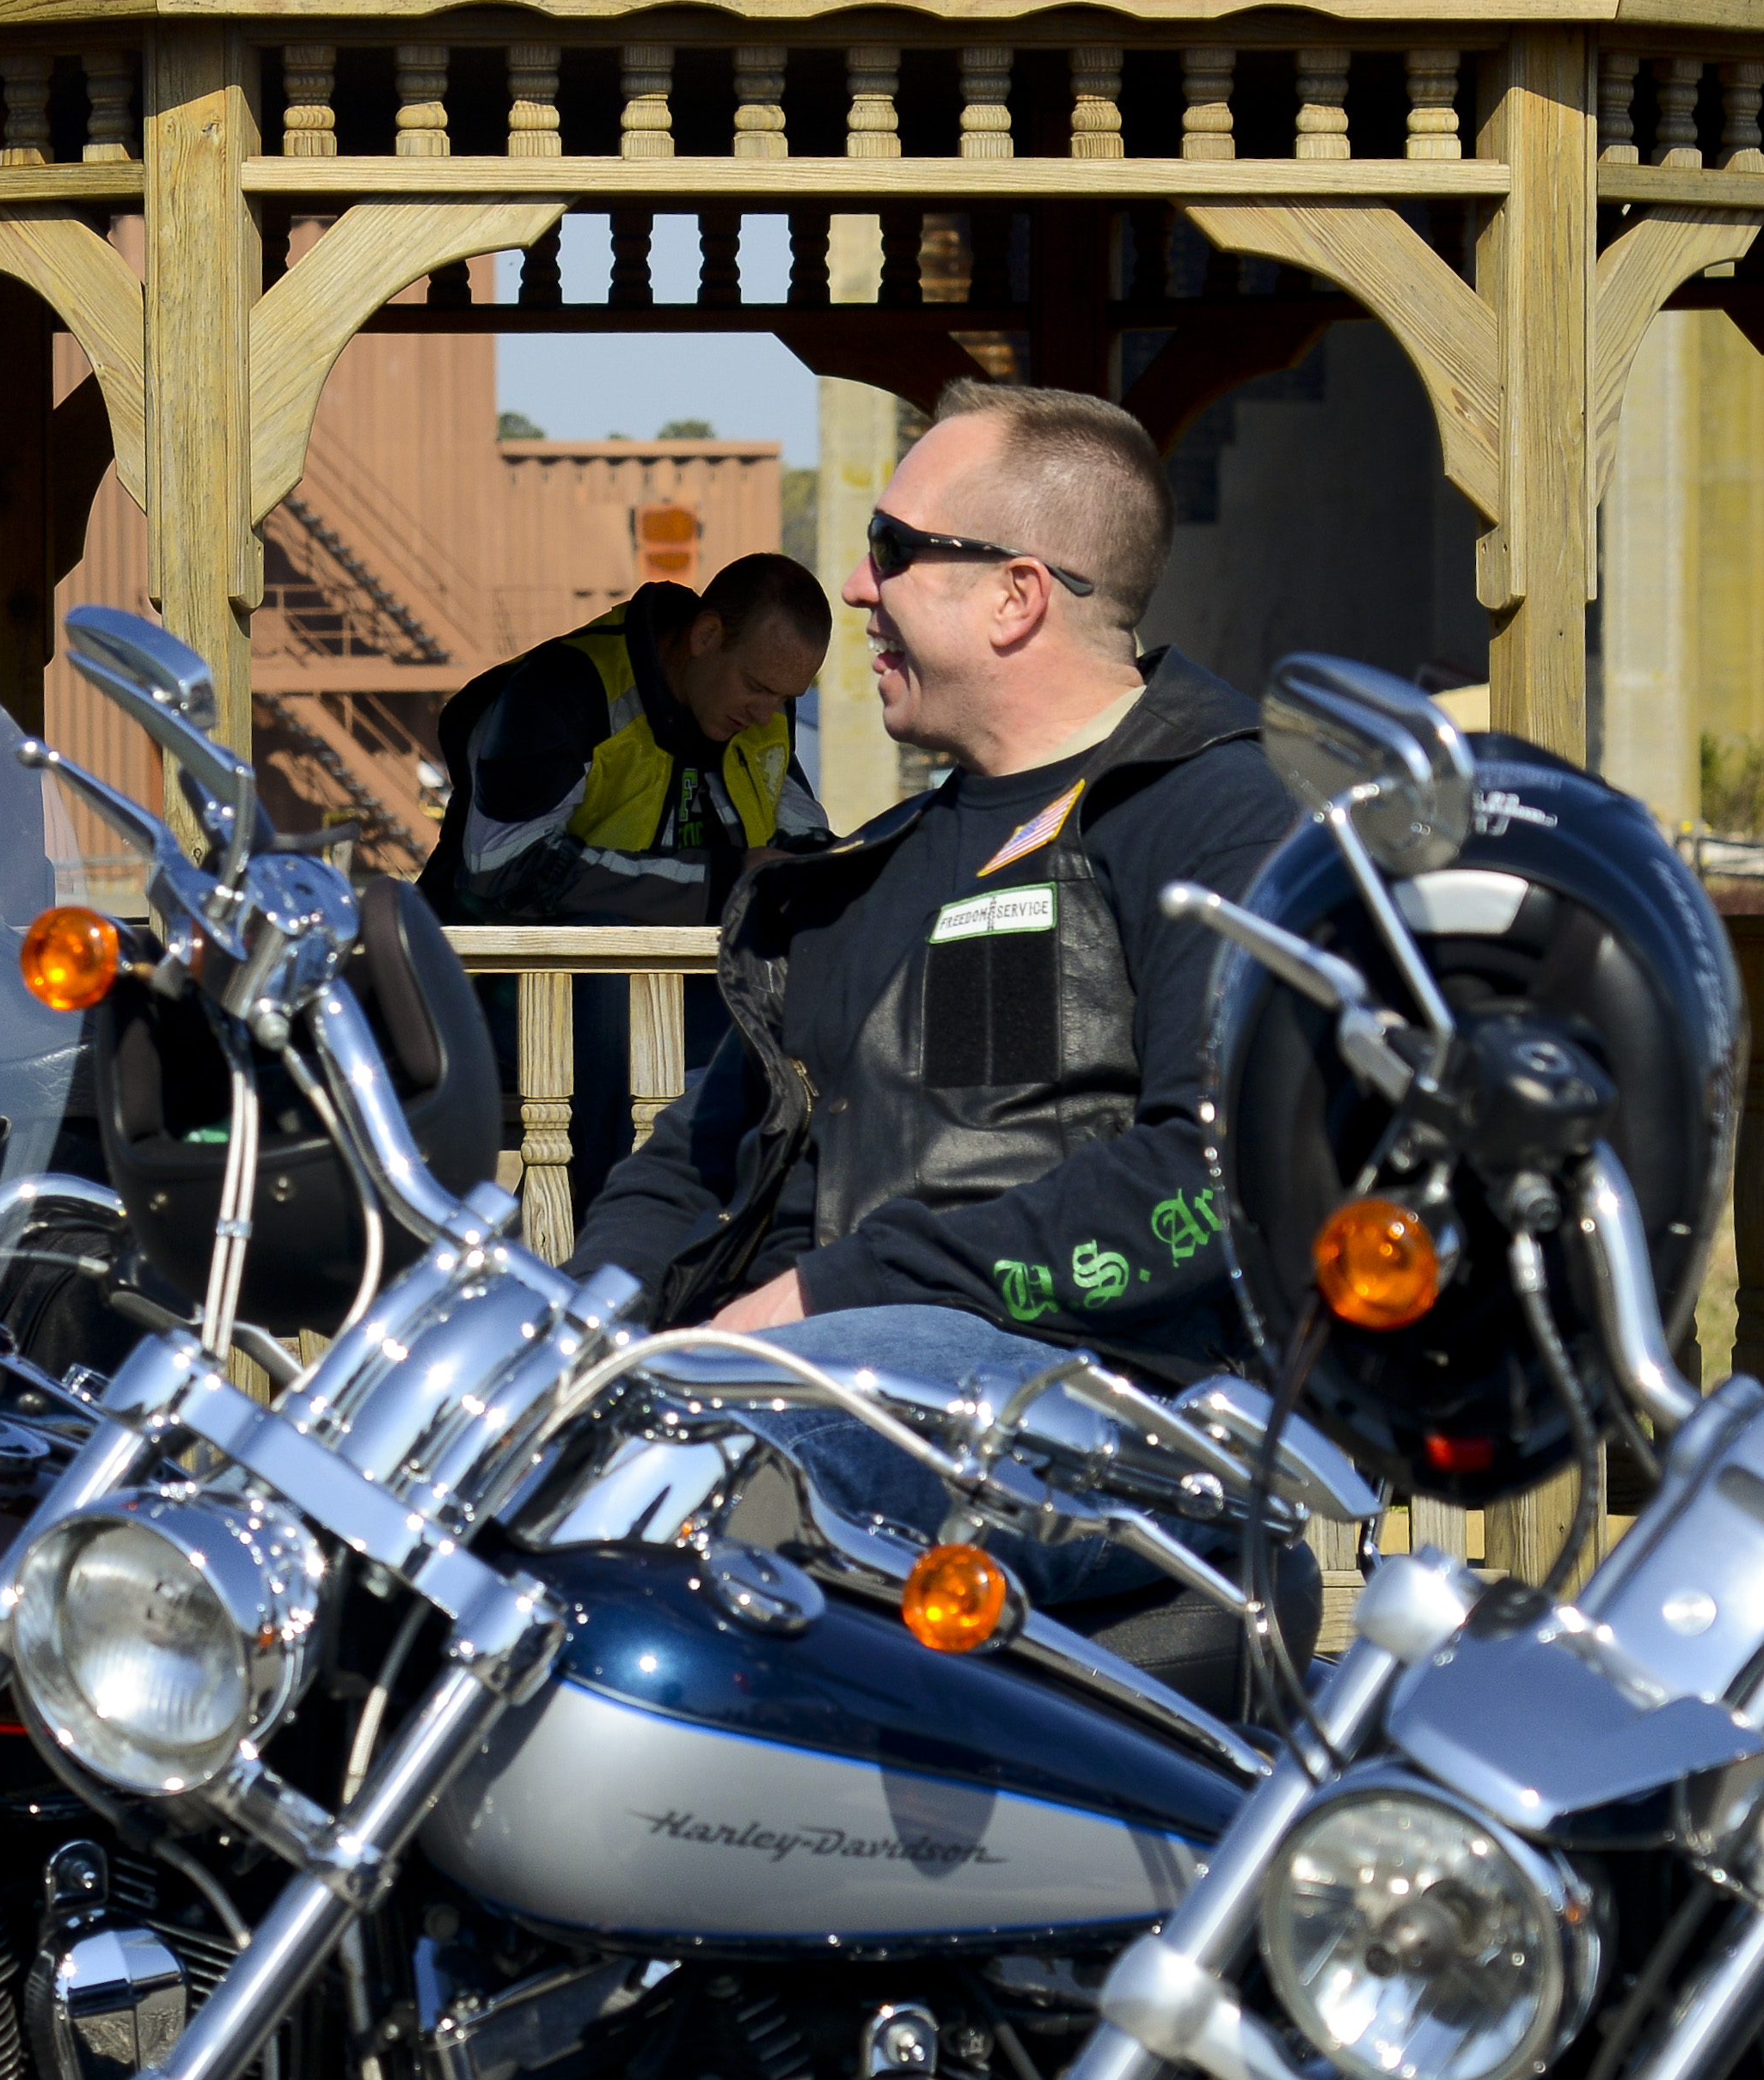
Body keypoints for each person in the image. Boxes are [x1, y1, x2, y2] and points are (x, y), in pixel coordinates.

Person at [567, 382, 1295, 1587]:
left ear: (1017, 594)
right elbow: (694, 1157)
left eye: (894, 552)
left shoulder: (1222, 817)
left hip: (1086, 1414)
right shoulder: (873, 868)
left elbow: (1215, 1171)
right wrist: (586, 1326)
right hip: (816, 1378)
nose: (856, 587)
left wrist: (825, 1297)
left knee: (708, 1499)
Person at [427, 552, 834, 926]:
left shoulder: (764, 717)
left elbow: (805, 853)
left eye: (785, 697)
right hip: (500, 986)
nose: (766, 715)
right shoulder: (561, 694)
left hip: (690, 986)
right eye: (756, 687)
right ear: (707, 635)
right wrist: (724, 884)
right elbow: (506, 869)